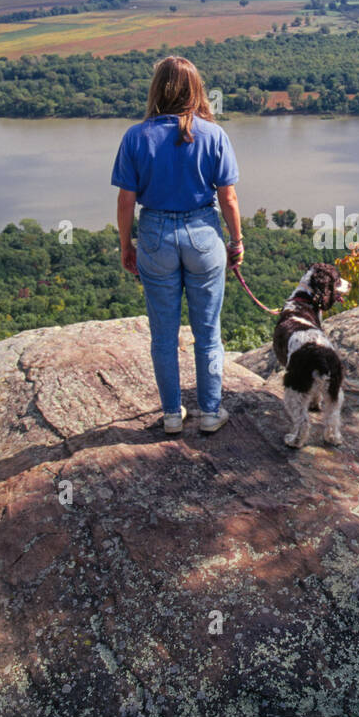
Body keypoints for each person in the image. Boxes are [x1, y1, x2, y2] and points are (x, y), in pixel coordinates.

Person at [112, 56, 244, 434]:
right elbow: (229, 198)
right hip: (203, 233)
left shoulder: (136, 137)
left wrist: (127, 245)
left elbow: (125, 201)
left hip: (155, 236)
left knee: (164, 336)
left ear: (157, 89)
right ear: (196, 90)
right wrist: (237, 242)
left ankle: (172, 415)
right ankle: (209, 413)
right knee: (208, 333)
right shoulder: (214, 135)